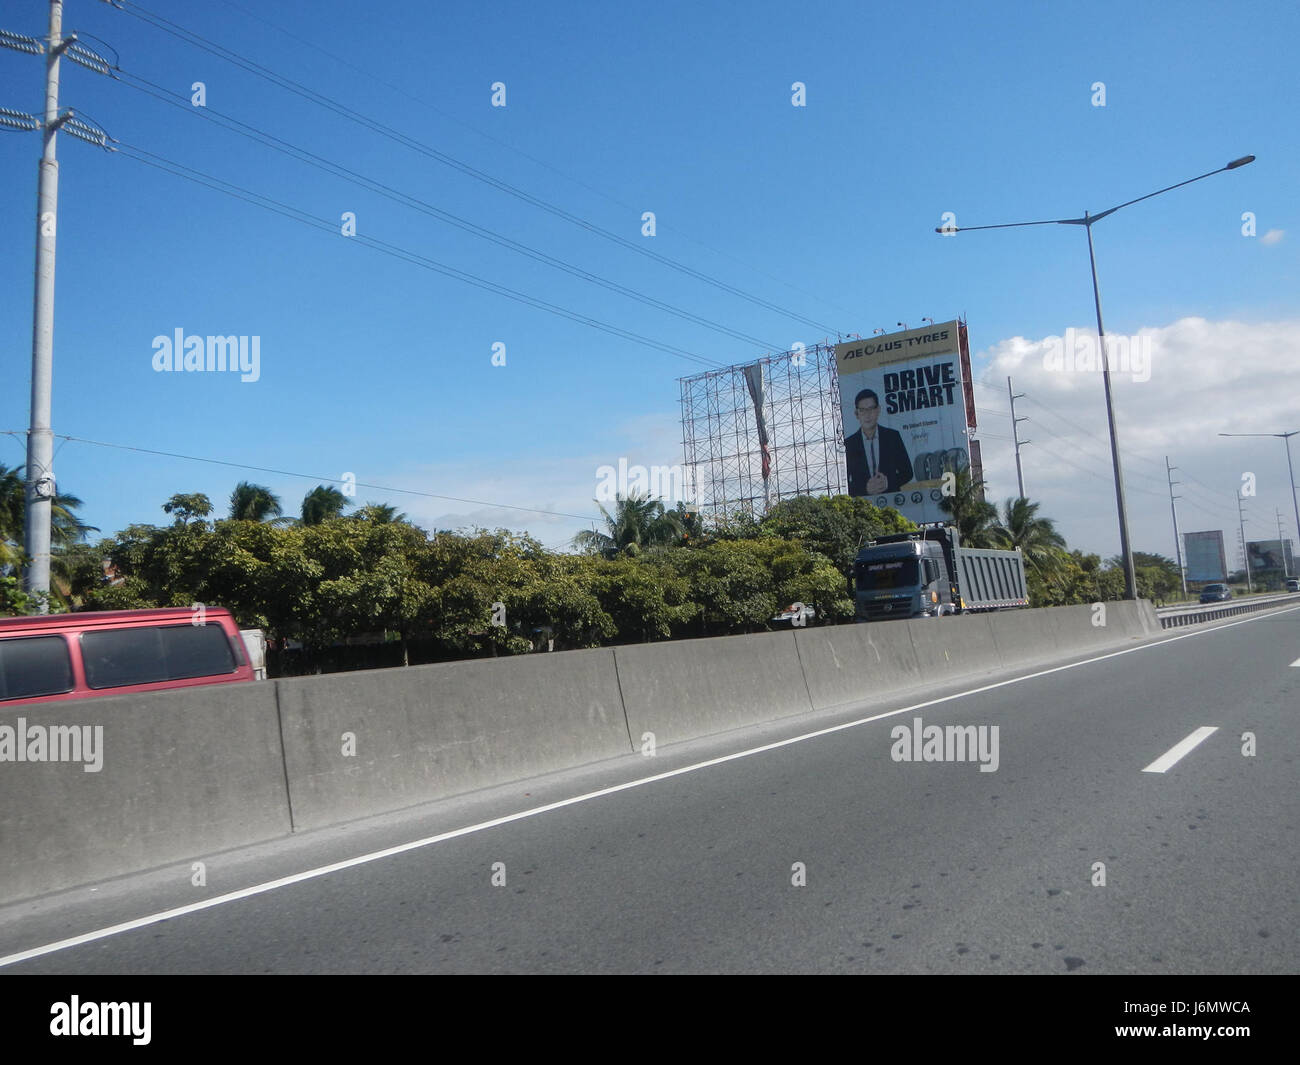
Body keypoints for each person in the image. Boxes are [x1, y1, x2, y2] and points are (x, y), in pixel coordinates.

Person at [845, 388, 913, 496]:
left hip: (893, 502)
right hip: (863, 506)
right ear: (856, 414)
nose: (867, 415)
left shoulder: (892, 436)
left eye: (871, 409)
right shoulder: (849, 444)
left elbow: (908, 472)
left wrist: (888, 483)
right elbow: (845, 481)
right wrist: (865, 489)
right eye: (862, 410)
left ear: (878, 410)